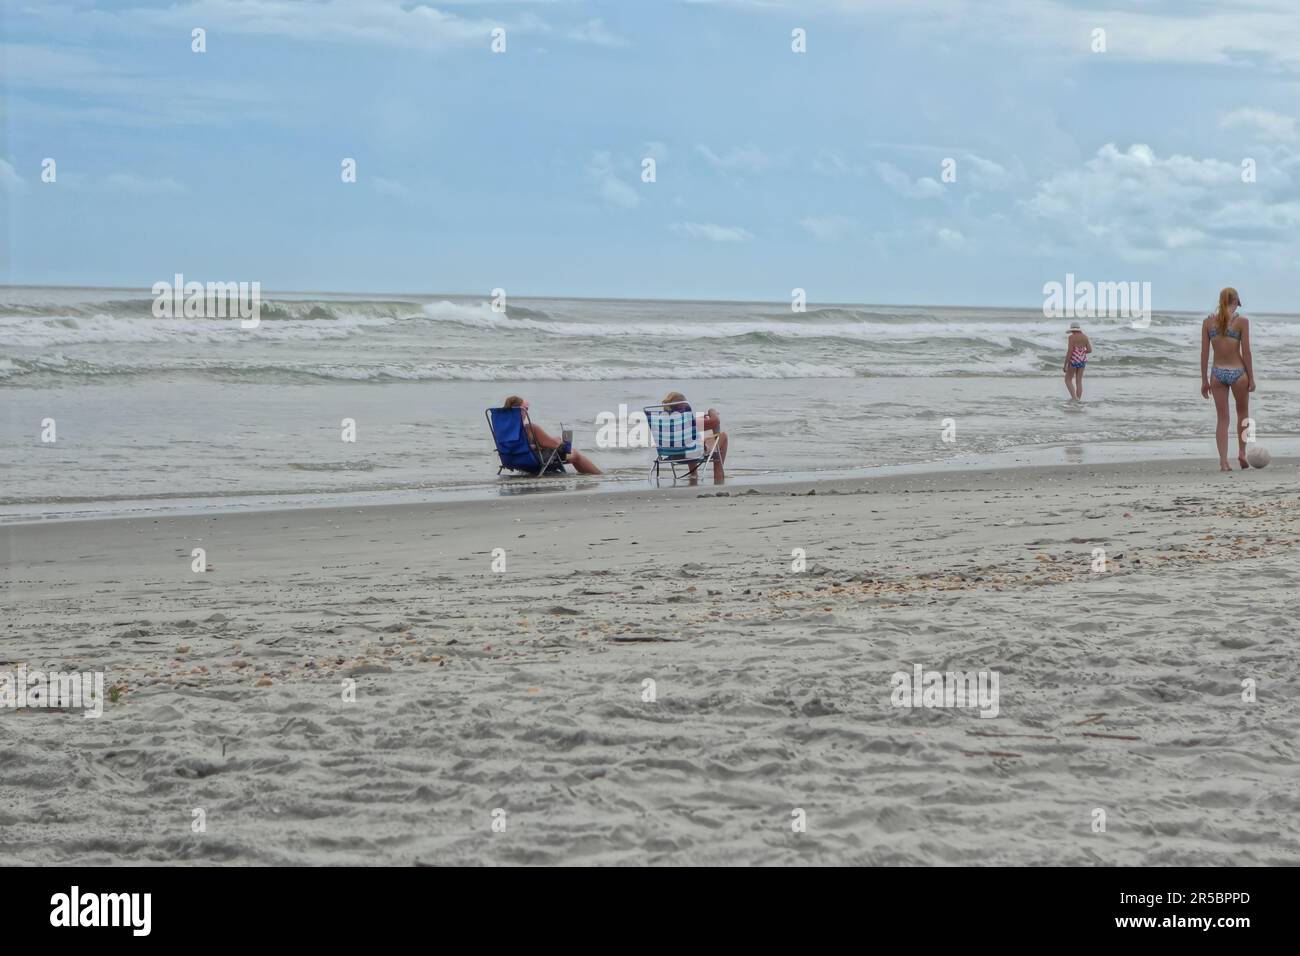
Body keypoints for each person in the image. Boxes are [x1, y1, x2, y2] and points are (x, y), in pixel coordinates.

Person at [1200, 288, 1255, 472]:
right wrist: (1252, 378)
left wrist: (1204, 380)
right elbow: (1246, 353)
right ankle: (1242, 452)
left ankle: (1223, 462)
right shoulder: (1242, 322)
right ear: (1236, 300)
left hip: (1217, 374)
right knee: (1244, 415)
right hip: (1239, 372)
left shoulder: (1208, 322)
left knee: (1222, 419)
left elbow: (1204, 353)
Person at [502, 395, 602, 475]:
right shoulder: (530, 428)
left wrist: (534, 445)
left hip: (513, 459)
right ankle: (597, 475)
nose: (526, 412)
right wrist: (558, 439)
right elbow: (554, 445)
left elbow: (516, 446)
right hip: (534, 460)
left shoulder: (502, 430)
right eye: (526, 409)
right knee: (575, 454)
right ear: (521, 411)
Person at [661, 391, 727, 482]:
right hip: (691, 454)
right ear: (685, 407)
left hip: (673, 455)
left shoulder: (661, 422)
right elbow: (716, 421)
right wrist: (712, 411)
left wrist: (700, 420)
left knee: (690, 439)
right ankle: (718, 474)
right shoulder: (689, 421)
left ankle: (693, 475)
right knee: (723, 436)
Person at [1062, 322, 1092, 400]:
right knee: (1079, 381)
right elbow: (1089, 350)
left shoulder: (1071, 337)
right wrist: (1081, 352)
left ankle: (1074, 398)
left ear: (1072, 330)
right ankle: (1078, 399)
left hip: (1074, 359)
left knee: (1067, 380)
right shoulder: (1085, 337)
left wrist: (1065, 364)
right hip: (1082, 360)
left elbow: (1070, 351)